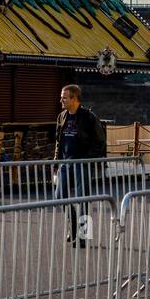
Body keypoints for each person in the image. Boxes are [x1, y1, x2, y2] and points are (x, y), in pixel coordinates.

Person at [53, 84, 108, 247]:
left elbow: (100, 141)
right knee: (59, 196)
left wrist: (88, 158)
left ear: (74, 98)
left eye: (64, 97)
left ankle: (84, 236)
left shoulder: (88, 117)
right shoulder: (61, 117)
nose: (61, 100)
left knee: (83, 200)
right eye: (61, 97)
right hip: (65, 163)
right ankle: (73, 222)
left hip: (82, 164)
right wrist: (56, 160)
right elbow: (58, 140)